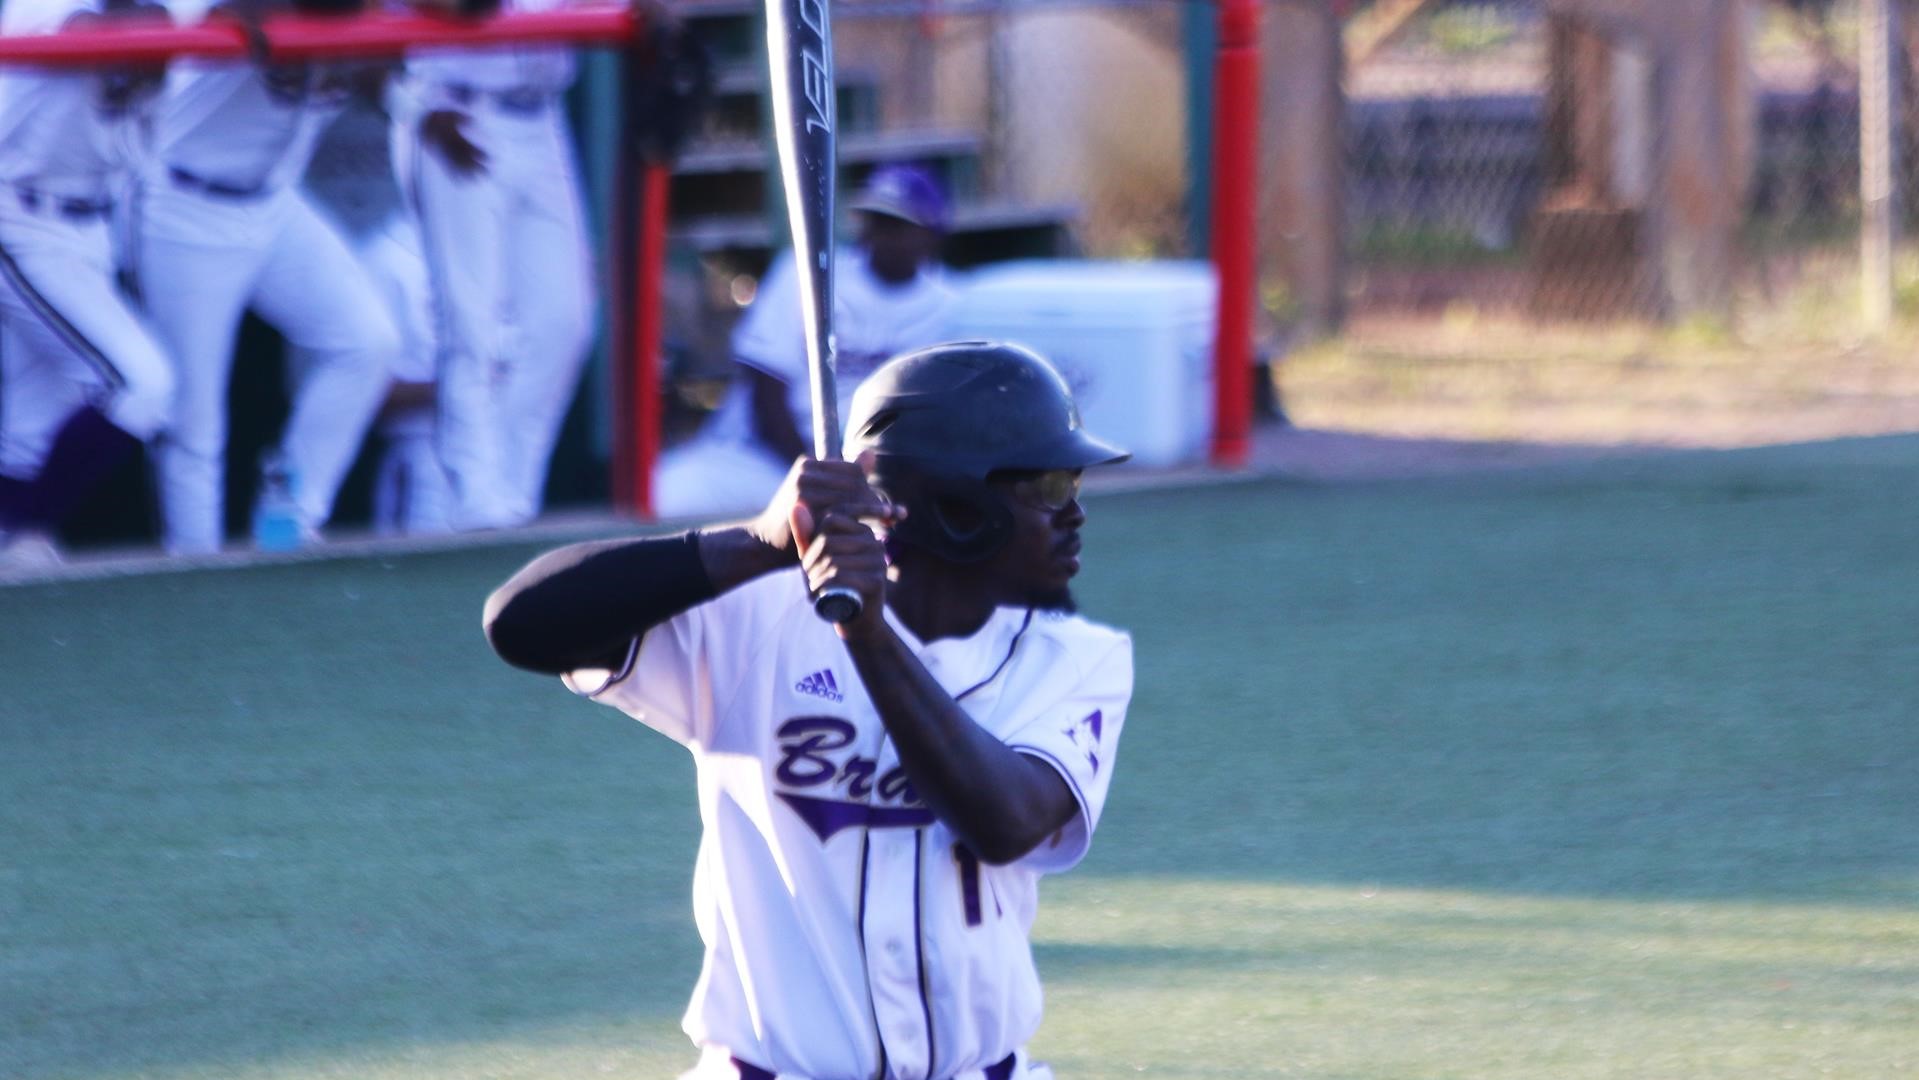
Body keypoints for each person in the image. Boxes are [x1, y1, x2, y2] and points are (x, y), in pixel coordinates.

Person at [484, 341, 1133, 1080]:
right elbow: (522, 624)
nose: (1076, 512)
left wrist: (865, 631)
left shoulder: (1075, 659)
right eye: (1049, 485)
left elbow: (1004, 823)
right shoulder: (749, 623)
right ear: (956, 506)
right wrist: (758, 543)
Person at [134, 0, 401, 554]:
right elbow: (220, 16)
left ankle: (289, 517)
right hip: (188, 203)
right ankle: (194, 566)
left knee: (365, 341)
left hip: (275, 202)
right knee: (195, 419)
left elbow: (389, 57)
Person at [393, 0, 597, 531]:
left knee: (564, 324)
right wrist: (410, 108)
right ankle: (476, 500)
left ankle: (510, 493)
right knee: (473, 324)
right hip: (459, 110)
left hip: (543, 116)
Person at [654, 163, 957, 520]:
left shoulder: (951, 305)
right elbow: (767, 394)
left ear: (932, 234)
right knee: (662, 495)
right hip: (761, 463)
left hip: (873, 479)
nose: (882, 235)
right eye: (876, 221)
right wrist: (822, 477)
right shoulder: (807, 273)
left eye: (898, 225)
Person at [0, 0, 174, 561]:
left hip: (93, 223)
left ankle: (15, 543)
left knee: (34, 415)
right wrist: (148, 30)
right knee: (140, 385)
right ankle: (29, 531)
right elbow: (87, 29)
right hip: (21, 217)